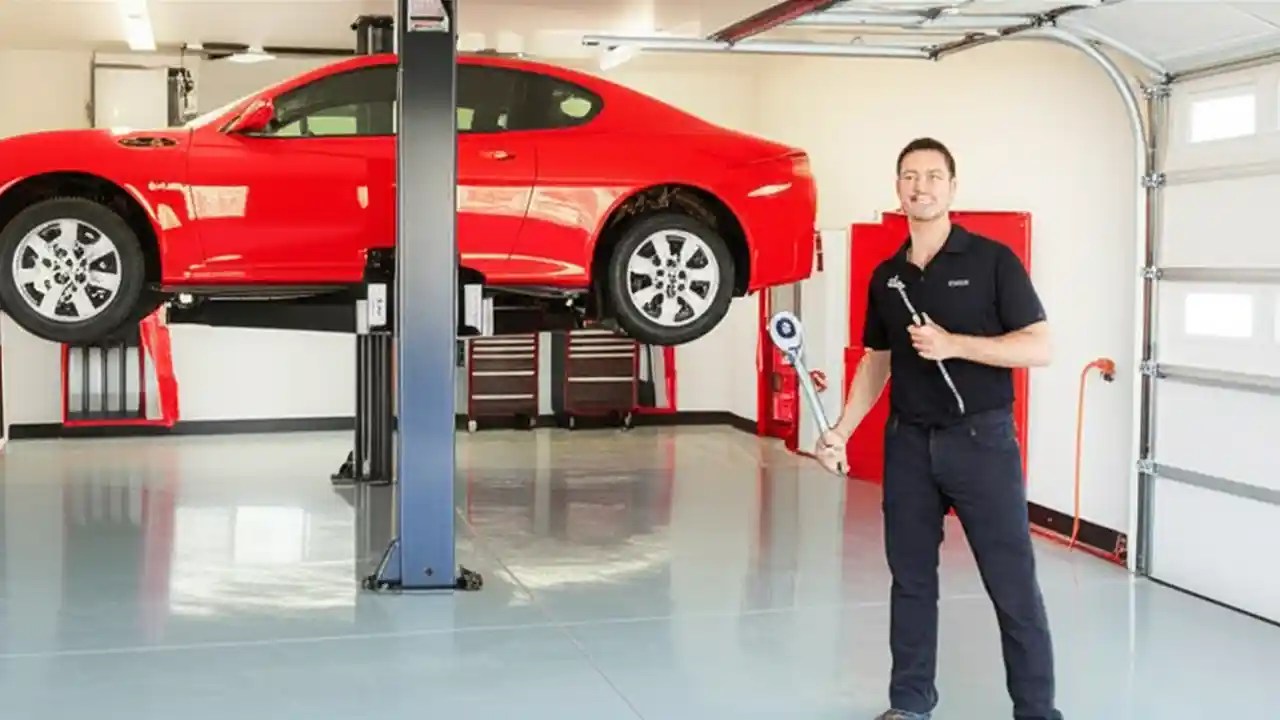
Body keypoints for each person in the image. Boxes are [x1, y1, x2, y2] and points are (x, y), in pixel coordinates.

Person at [815, 137, 1063, 720]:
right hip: (908, 444)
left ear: (953, 187)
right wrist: (842, 430)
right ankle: (909, 706)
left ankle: (1036, 710)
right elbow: (876, 360)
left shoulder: (992, 260)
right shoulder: (886, 276)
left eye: (932, 176)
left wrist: (955, 345)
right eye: (909, 176)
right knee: (911, 582)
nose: (920, 186)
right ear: (897, 188)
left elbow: (1040, 346)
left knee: (1013, 586)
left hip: (982, 443)